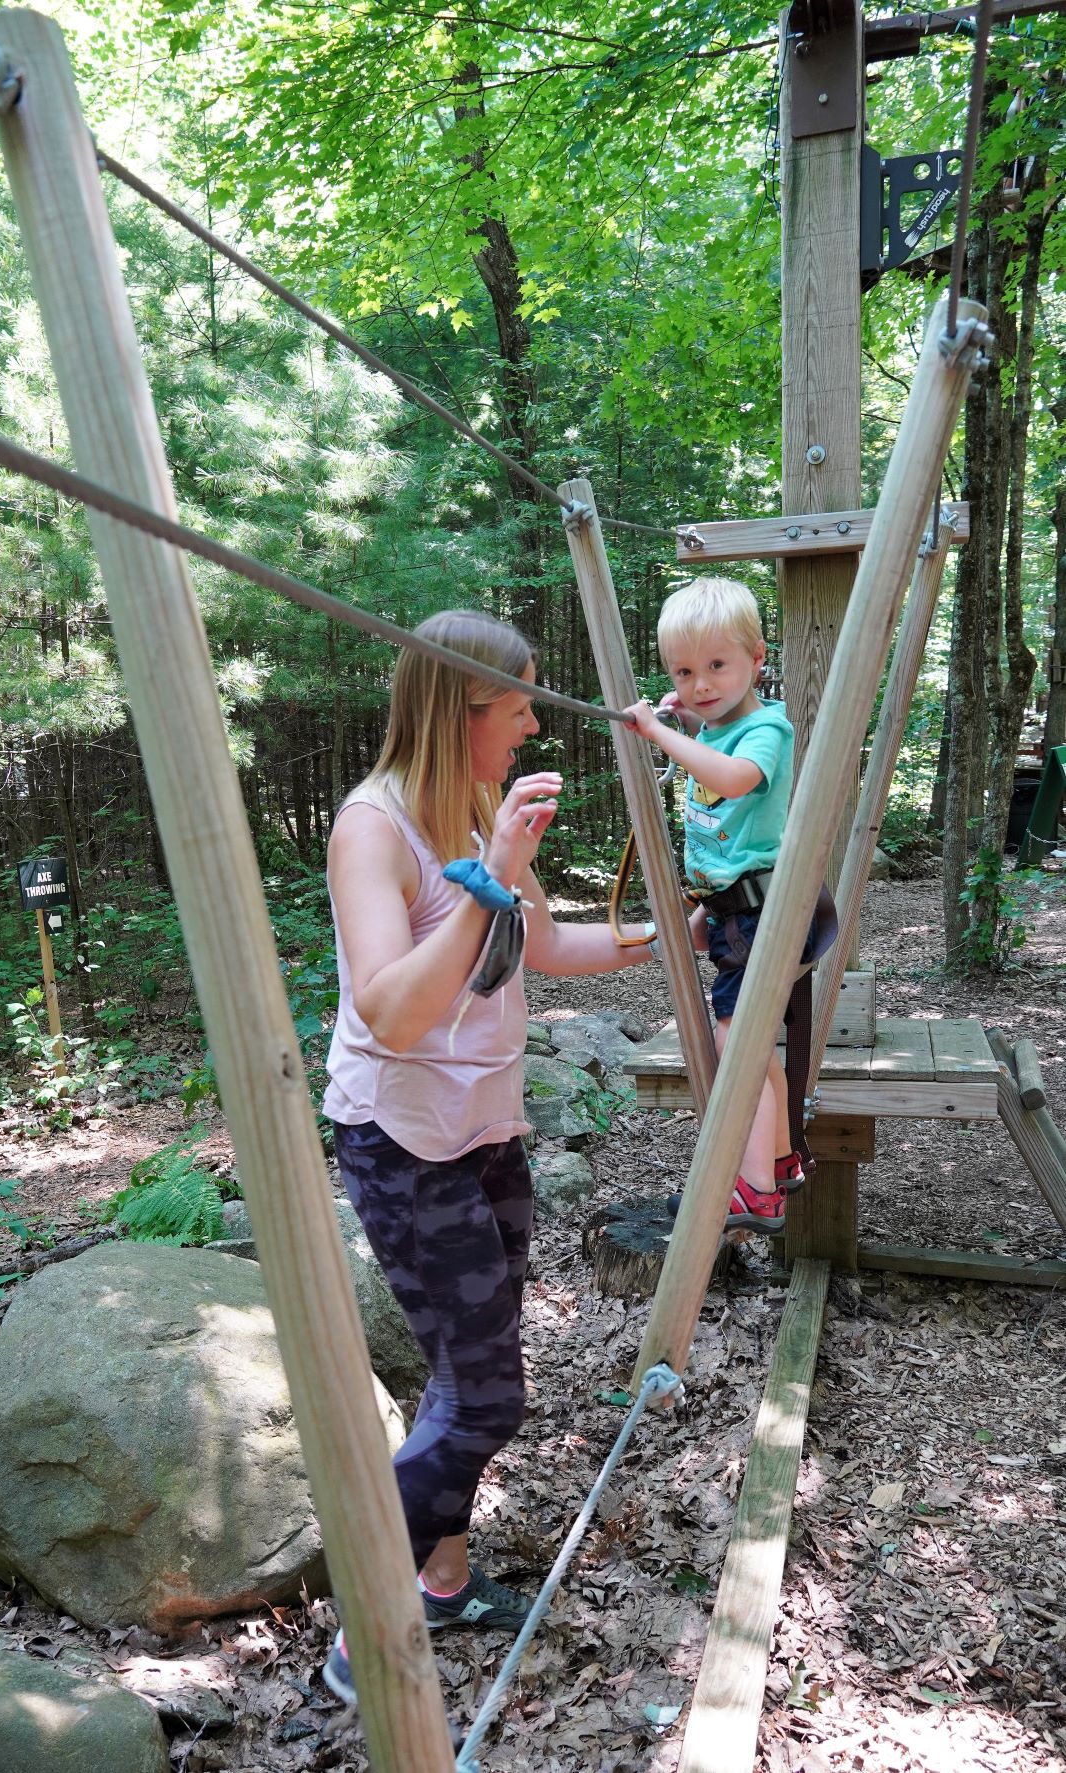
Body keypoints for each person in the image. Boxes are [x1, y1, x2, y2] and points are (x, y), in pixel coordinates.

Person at [321, 608, 656, 1704]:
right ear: (458, 707)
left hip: (485, 1132)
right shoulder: (374, 828)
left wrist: (678, 933)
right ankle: (361, 1633)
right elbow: (395, 1010)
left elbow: (545, 947)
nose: (528, 723)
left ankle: (444, 1583)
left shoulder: (474, 803)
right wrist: (490, 873)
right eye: (515, 704)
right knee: (488, 1401)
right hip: (401, 1138)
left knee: (466, 1376)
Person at [625, 576, 813, 1237]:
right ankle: (782, 1158)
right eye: (685, 670)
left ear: (756, 659)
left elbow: (731, 779)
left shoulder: (766, 727)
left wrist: (658, 732)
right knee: (756, 1052)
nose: (701, 683)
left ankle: (757, 1190)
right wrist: (683, 723)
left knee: (737, 1052)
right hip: (734, 911)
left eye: (717, 665)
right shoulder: (718, 726)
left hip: (760, 913)